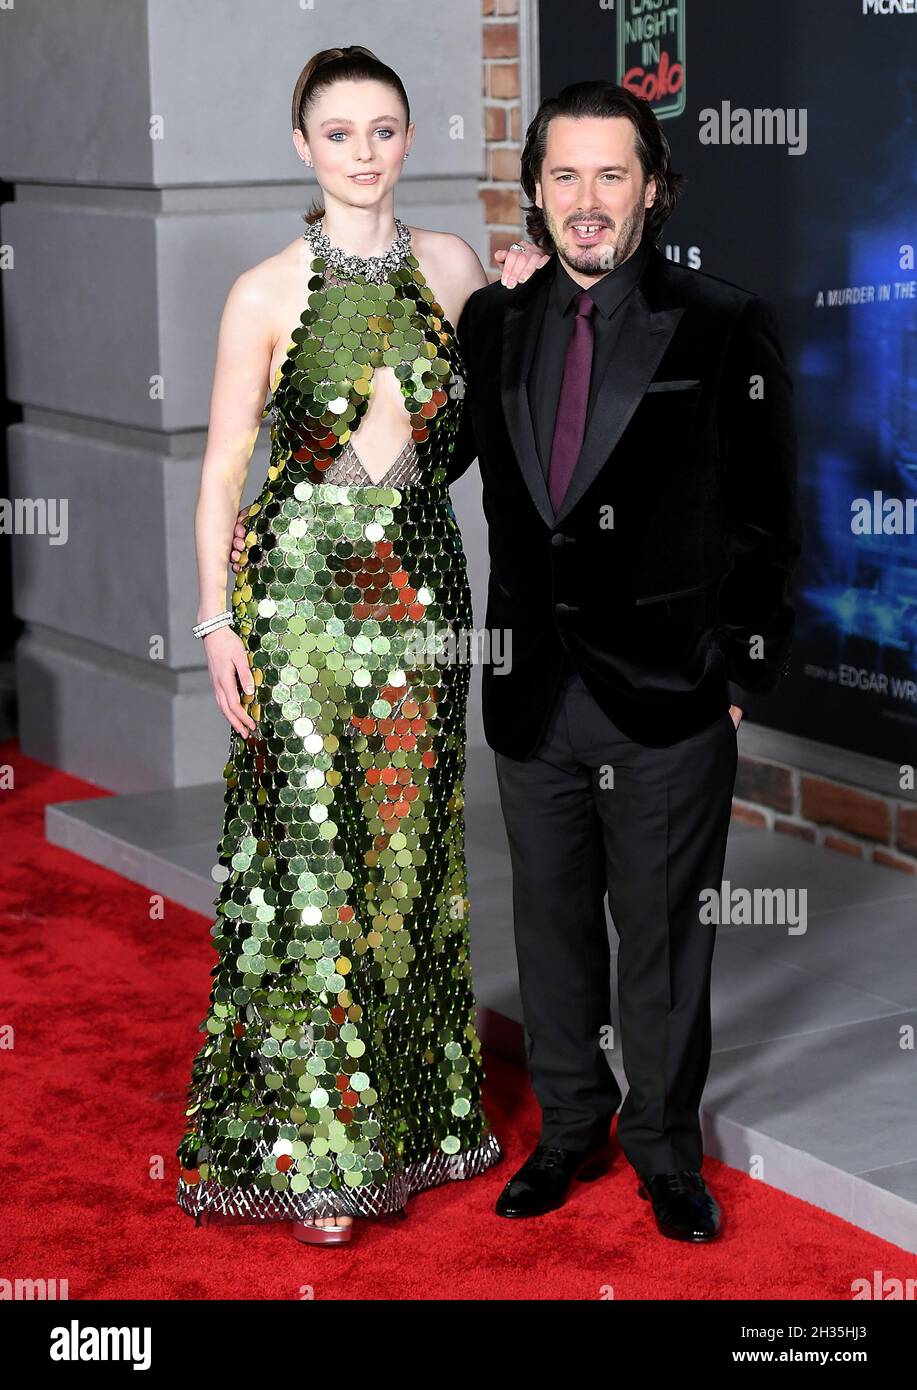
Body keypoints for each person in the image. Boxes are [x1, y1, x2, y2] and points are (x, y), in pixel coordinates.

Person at [177, 44, 546, 1246]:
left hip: (424, 602)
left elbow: (506, 416)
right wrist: (215, 618)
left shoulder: (449, 268)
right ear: (302, 145)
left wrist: (530, 296)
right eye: (339, 133)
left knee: (408, 857)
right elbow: (223, 470)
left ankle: (421, 1119)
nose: (365, 152)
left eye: (383, 128)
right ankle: (318, 1151)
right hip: (296, 602)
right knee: (311, 866)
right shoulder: (264, 290)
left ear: (406, 135)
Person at [445, 80, 802, 1242]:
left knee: (659, 936)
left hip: (668, 694)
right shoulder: (491, 321)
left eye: (610, 174)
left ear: (651, 187)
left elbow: (763, 517)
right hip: (531, 688)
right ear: (533, 192)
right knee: (545, 926)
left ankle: (660, 1148)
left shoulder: (720, 321)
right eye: (563, 176)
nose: (585, 201)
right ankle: (565, 1131)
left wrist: (737, 677)